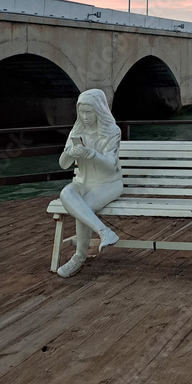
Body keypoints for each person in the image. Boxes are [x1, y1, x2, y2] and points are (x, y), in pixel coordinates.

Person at [56, 89, 123, 278]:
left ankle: (79, 257)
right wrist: (69, 152)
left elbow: (111, 166)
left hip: (108, 183)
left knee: (83, 205)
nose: (85, 117)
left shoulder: (112, 131)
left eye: (89, 112)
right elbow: (63, 165)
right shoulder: (77, 131)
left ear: (99, 110)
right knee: (66, 194)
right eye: (82, 112)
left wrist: (91, 154)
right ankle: (105, 232)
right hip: (83, 182)